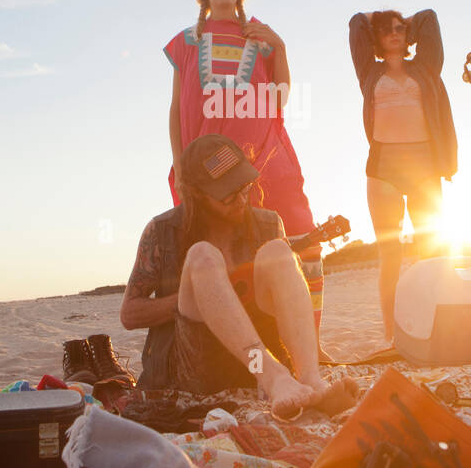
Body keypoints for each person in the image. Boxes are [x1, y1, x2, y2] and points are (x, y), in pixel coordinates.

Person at [121, 134, 350, 418]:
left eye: (244, 187)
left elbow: (285, 300)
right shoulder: (161, 231)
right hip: (197, 365)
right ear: (196, 195)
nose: (241, 199)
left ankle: (310, 380)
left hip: (253, 361)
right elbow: (129, 314)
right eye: (228, 195)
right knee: (203, 256)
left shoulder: (268, 223)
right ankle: (275, 379)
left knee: (278, 250)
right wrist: (199, 296)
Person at [163, 0, 325, 332]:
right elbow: (176, 110)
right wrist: (181, 167)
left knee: (305, 245)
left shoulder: (261, 37)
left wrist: (280, 48)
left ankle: (310, 342)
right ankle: (244, 352)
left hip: (269, 160)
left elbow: (281, 96)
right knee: (223, 258)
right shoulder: (187, 42)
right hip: (209, 171)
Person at [348, 9, 457, 343]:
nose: (394, 34)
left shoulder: (425, 68)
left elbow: (429, 18)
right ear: (377, 38)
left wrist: (407, 24)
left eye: (399, 29)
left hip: (424, 164)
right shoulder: (369, 71)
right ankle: (393, 336)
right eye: (386, 30)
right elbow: (355, 24)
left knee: (431, 251)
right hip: (383, 166)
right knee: (391, 255)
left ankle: (432, 329)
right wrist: (374, 19)